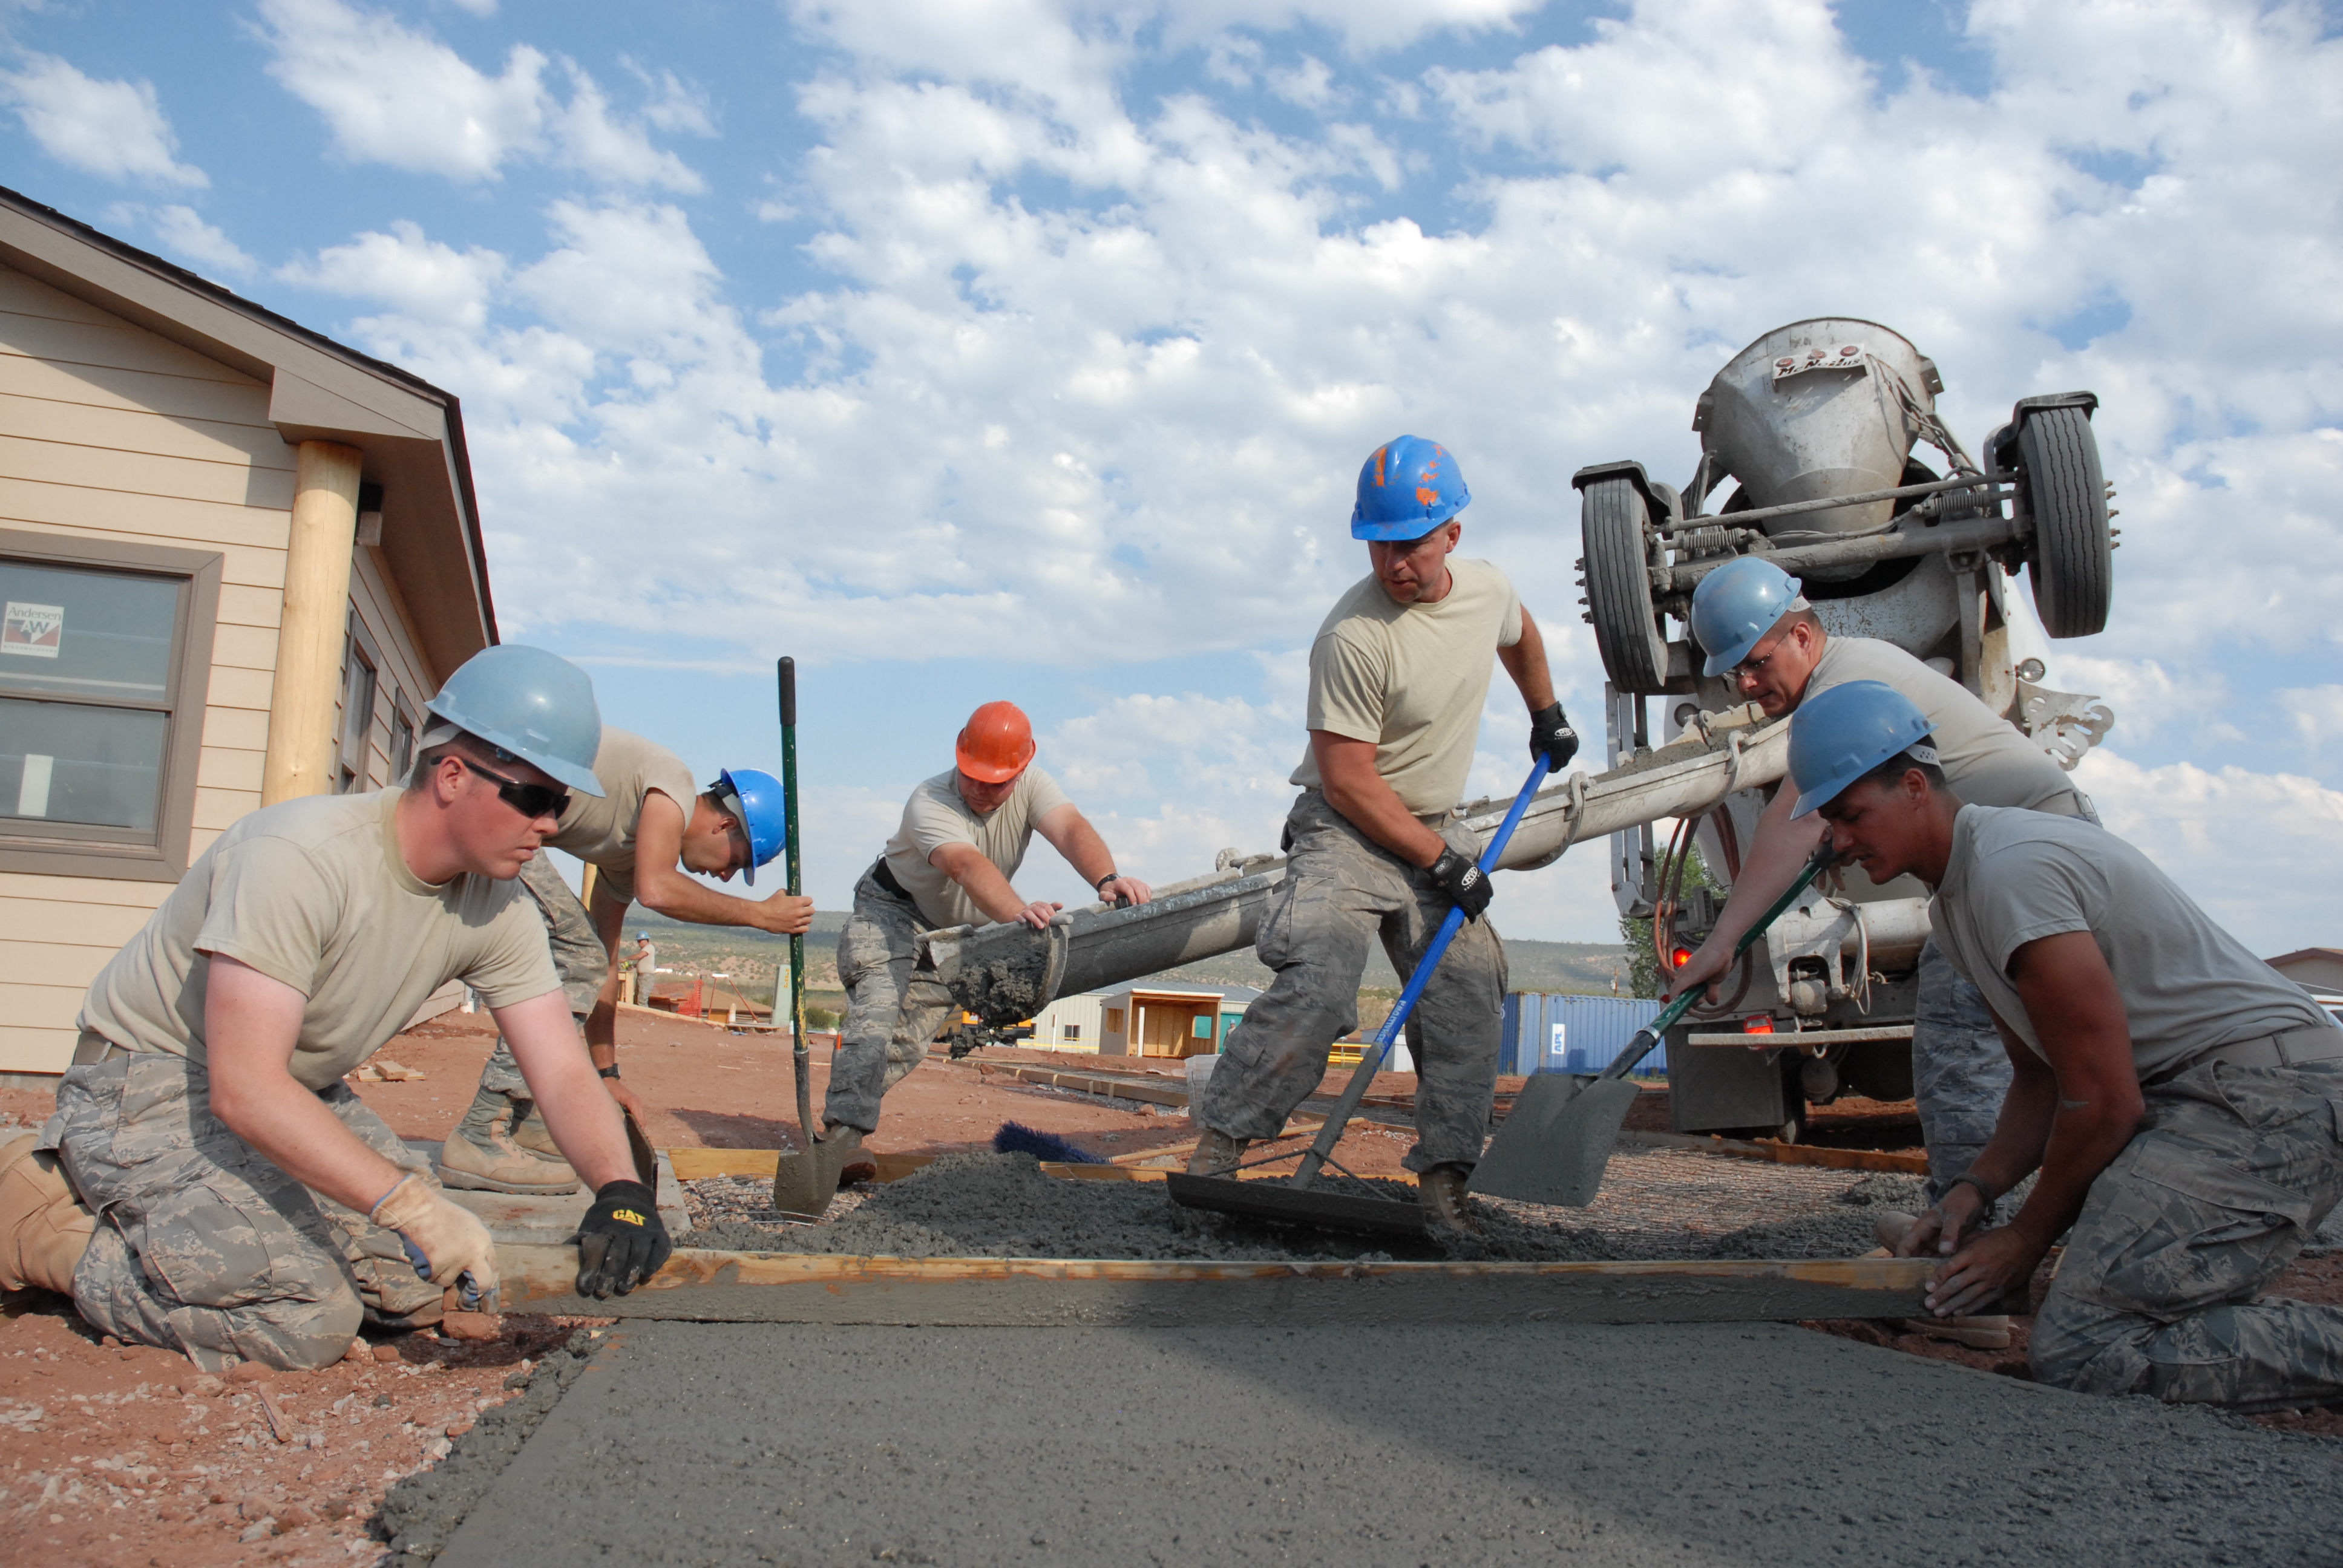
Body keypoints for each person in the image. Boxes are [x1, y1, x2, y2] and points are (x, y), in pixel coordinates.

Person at [0, 646, 674, 1371]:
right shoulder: (299, 857)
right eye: (537, 800)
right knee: (306, 1317)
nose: (550, 825)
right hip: (153, 1086)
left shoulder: (497, 905)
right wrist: (411, 1206)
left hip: (290, 1095)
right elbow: (243, 1086)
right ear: (453, 775)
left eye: (562, 805)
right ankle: (42, 1225)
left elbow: (562, 1072)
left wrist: (621, 1190)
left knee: (417, 1287)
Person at [1795, 679, 2343, 1405]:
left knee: (2085, 1349)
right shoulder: (1957, 904)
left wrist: (2022, 1242)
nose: (1838, 840)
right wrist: (1974, 1189)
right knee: (2099, 1310)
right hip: (2205, 1102)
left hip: (2265, 1102)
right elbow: (2038, 1077)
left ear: (1916, 786)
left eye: (1851, 814)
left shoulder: (2009, 873)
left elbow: (2105, 1102)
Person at [1189, 435, 1578, 1232]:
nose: (1394, 563)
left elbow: (1521, 630)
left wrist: (1547, 712)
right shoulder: (1352, 637)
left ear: (1452, 538)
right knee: (1321, 984)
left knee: (1467, 995)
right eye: (1379, 547)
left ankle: (1443, 1186)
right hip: (1347, 830)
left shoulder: (1486, 590)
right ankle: (1219, 1157)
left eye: (1410, 546)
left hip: (1432, 824)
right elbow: (1349, 781)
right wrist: (1444, 864)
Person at [1666, 556, 2094, 1218]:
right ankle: (1982, 1231)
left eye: (1755, 663)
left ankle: (1971, 1252)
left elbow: (1790, 821)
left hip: (2028, 860)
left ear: (1802, 638)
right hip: (2003, 867)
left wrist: (1724, 941)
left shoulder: (1845, 686)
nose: (1746, 685)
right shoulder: (1842, 678)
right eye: (1734, 673)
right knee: (2021, 1052)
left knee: (1962, 1053)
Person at [441, 737, 811, 1195]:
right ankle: (482, 1134)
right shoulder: (671, 784)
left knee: (581, 954)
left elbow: (604, 959)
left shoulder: (629, 857)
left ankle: (527, 1116)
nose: (725, 876)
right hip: (481, 806)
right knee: (572, 952)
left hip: (493, 816)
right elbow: (657, 890)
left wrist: (606, 1075)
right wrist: (757, 914)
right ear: (726, 825)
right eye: (736, 863)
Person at [823, 701, 1152, 1152]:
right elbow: (964, 865)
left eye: (995, 782)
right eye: (971, 775)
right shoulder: (930, 800)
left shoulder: (1034, 786)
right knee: (877, 1014)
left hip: (956, 933)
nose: (979, 788)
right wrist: (1016, 912)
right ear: (959, 755)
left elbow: (1070, 828)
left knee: (908, 1040)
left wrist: (1108, 879)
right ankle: (838, 1140)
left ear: (1021, 771)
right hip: (892, 912)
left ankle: (845, 1129)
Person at [629, 932, 658, 1006]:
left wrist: (626, 959)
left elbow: (640, 956)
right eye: (638, 941)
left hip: (646, 977)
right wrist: (634, 966)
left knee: (642, 1000)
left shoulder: (649, 947)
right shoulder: (644, 949)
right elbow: (642, 961)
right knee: (637, 998)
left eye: (640, 941)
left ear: (646, 940)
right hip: (641, 976)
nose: (639, 943)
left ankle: (644, 1015)